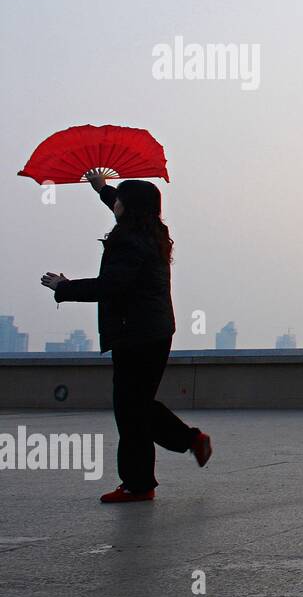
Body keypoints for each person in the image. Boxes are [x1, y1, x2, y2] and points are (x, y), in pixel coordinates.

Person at [41, 175, 211, 503]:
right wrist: (102, 189)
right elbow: (125, 210)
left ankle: (140, 483)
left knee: (131, 411)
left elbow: (111, 286)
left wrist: (64, 287)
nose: (114, 203)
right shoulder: (153, 233)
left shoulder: (128, 240)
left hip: (134, 335)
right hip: (156, 331)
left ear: (129, 207)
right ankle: (187, 443)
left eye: (119, 199)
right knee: (138, 405)